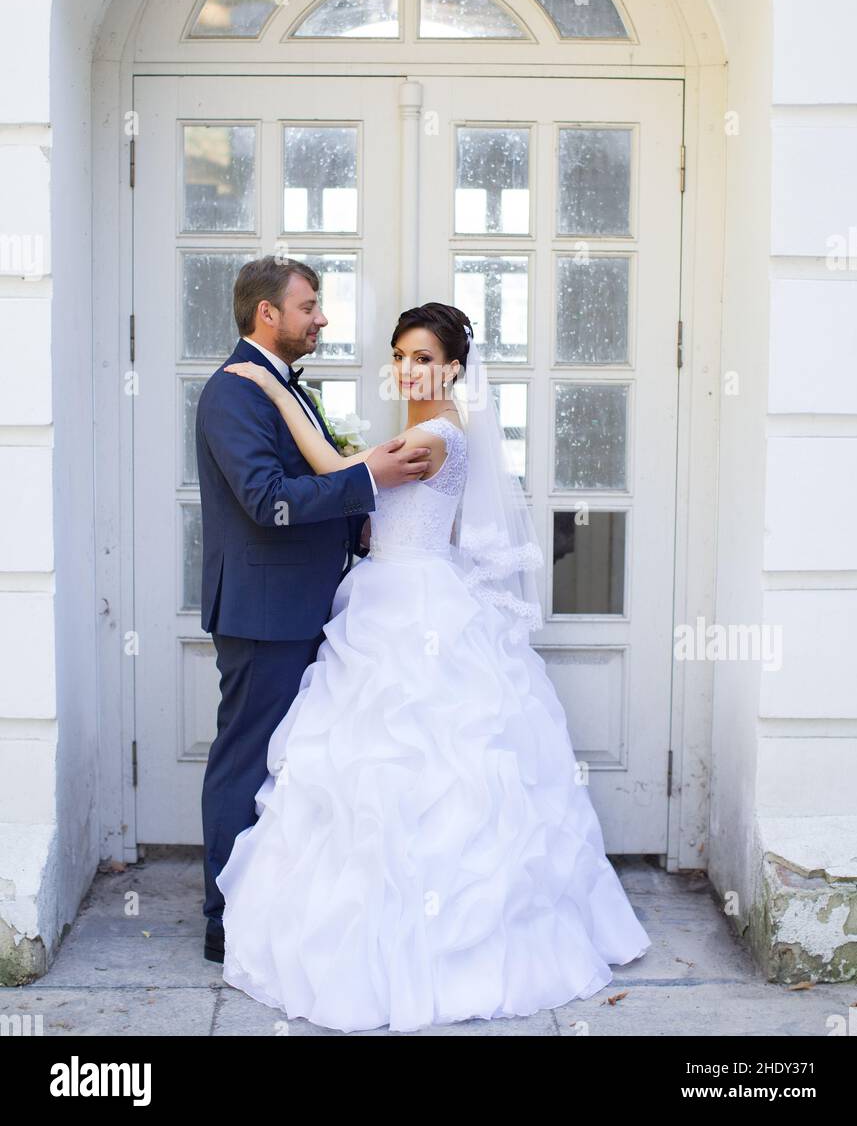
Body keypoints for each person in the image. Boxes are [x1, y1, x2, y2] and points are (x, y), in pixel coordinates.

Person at [212, 299, 651, 1032]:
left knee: (427, 760)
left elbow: (334, 469)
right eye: (399, 356)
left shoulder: (437, 437)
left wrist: (274, 394)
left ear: (452, 366)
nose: (407, 369)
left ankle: (440, 946)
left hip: (416, 602)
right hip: (385, 594)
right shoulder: (419, 428)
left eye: (423, 358)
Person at [195, 257, 433, 964]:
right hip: (263, 612)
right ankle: (225, 917)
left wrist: (354, 523)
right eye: (310, 306)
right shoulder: (234, 395)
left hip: (308, 604)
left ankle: (275, 900)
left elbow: (305, 480)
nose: (322, 318)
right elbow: (269, 502)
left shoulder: (284, 388)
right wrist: (370, 480)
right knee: (247, 761)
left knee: (293, 764)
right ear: (267, 314)